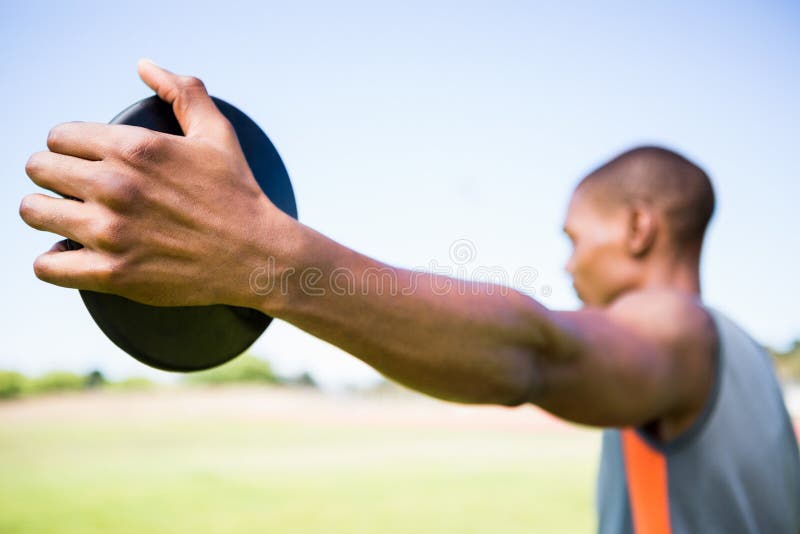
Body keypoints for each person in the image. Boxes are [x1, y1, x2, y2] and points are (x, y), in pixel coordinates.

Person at [19, 60, 800, 533]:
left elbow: (537, 355)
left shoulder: (676, 333)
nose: (567, 268)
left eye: (574, 239)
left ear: (638, 228)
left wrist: (264, 259)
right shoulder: (744, 362)